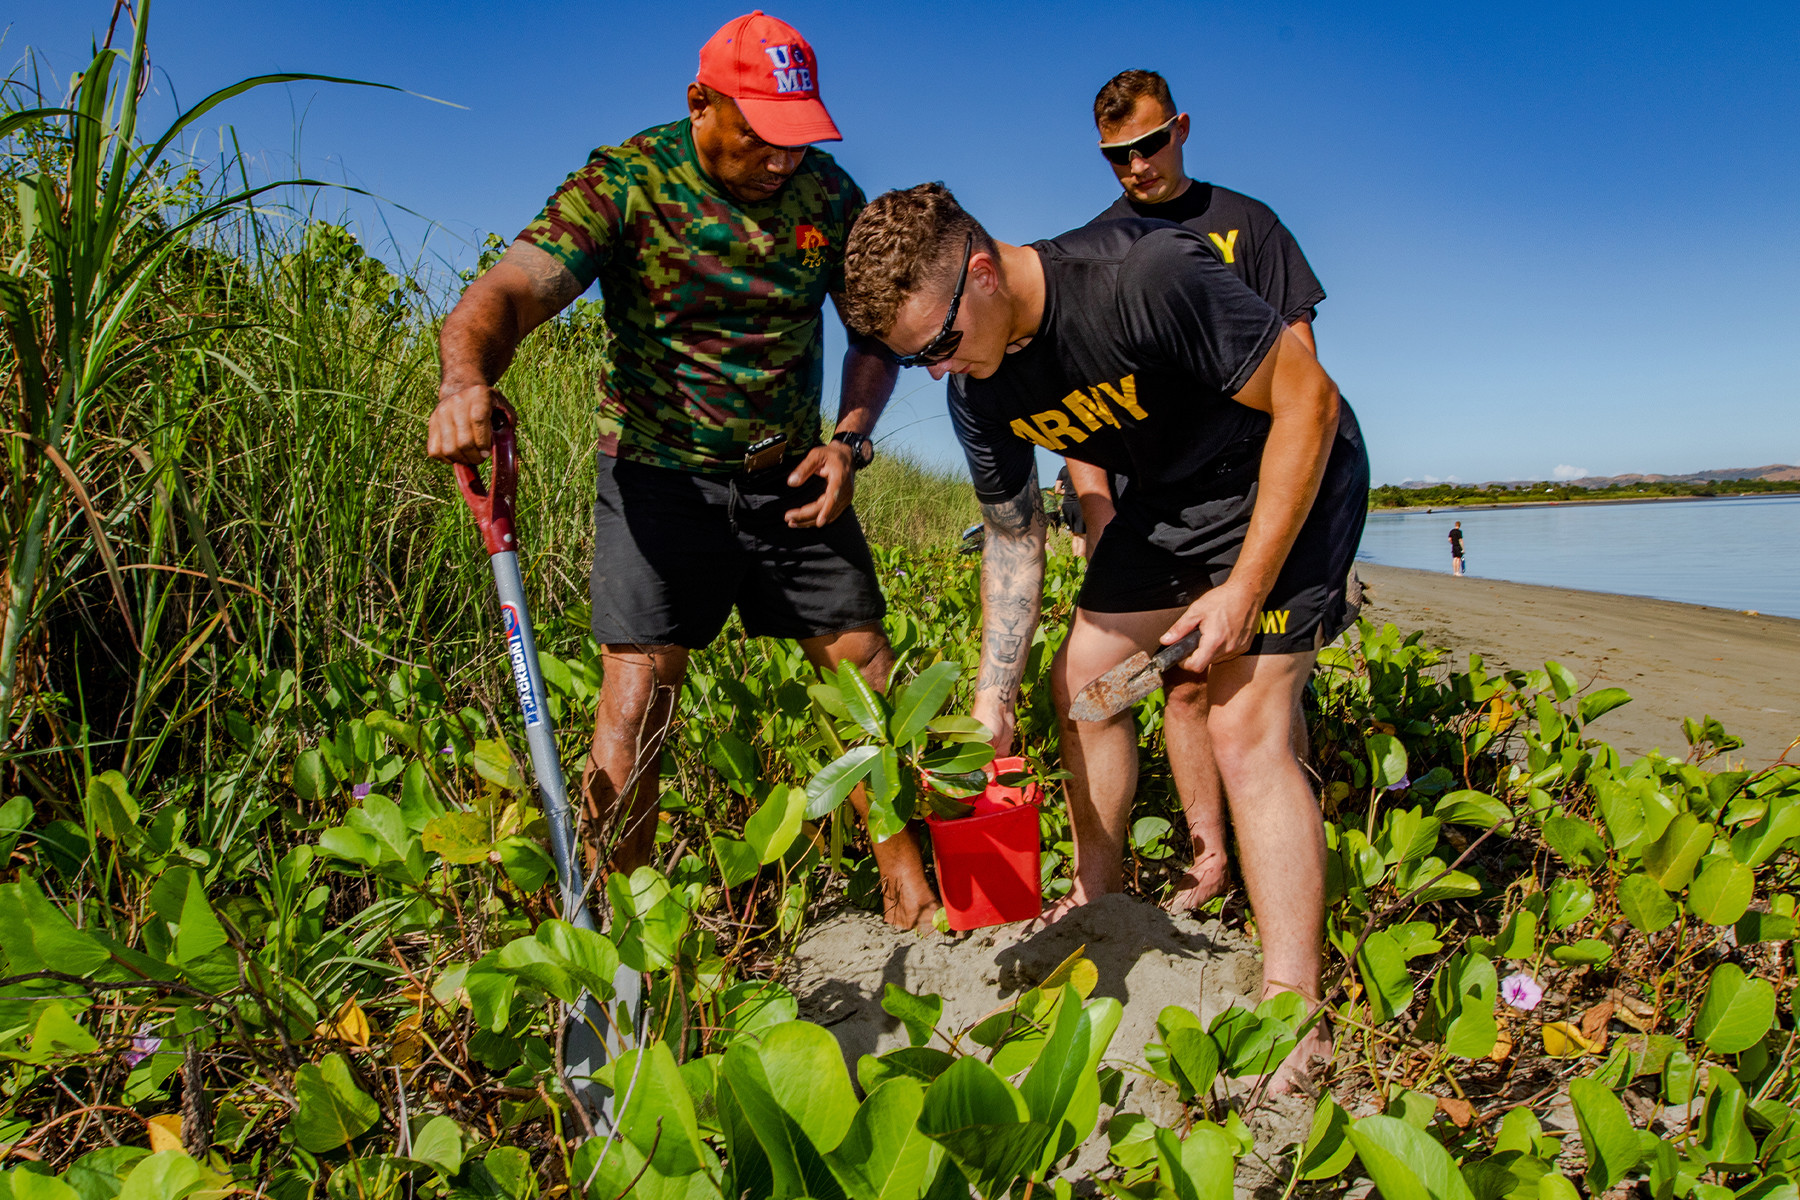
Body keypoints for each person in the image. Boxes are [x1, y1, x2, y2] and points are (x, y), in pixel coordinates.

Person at [839, 183, 1369, 1090]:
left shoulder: (1144, 277)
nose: (936, 371)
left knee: (1245, 729)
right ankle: (1099, 893)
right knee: (1084, 681)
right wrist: (989, 698)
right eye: (912, 358)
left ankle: (1295, 1004)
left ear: (982, 274)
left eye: (937, 345)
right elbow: (1012, 538)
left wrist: (1242, 590)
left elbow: (1310, 404)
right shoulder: (979, 386)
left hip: (1289, 475)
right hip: (1170, 505)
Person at [426, 12, 940, 930]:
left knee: (870, 684)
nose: (785, 160)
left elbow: (876, 325)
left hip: (790, 474)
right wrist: (466, 381)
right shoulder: (626, 182)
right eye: (763, 135)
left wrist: (852, 441)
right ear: (701, 102)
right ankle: (621, 937)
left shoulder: (827, 194)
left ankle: (918, 902)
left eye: (800, 136)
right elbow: (505, 293)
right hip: (660, 477)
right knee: (635, 702)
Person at [1068, 68, 1336, 908]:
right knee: (1178, 685)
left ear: (1181, 127)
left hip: (1257, 487)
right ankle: (1207, 857)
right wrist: (1098, 508)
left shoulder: (1249, 226)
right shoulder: (1092, 245)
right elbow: (1070, 399)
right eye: (1117, 157)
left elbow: (1302, 366)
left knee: (1251, 682)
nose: (1136, 168)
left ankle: (1277, 858)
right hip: (1157, 501)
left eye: (1148, 145)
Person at [1054, 464, 1089, 558]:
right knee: (1083, 535)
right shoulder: (1082, 467)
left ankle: (1075, 562)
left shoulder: (1064, 469)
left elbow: (1057, 490)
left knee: (1075, 535)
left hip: (1066, 505)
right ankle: (1082, 565)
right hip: (1079, 503)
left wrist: (1068, 491)